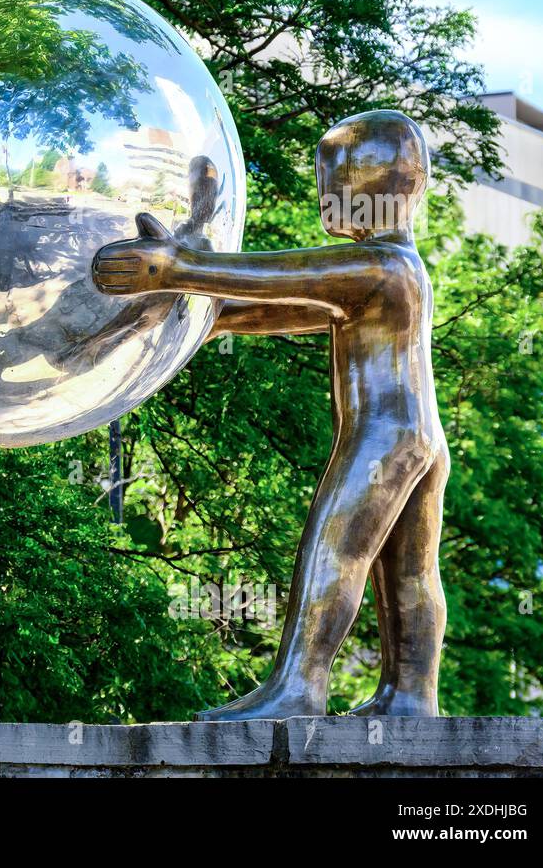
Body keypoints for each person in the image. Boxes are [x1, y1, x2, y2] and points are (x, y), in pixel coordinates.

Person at [93, 110, 447, 719]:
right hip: (420, 439)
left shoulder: (384, 268)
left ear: (392, 188)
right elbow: (268, 305)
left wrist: (181, 270)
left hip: (385, 436)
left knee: (337, 549)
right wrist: (198, 308)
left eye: (338, 182)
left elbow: (283, 275)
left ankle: (298, 688)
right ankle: (411, 696)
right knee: (408, 571)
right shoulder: (367, 276)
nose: (326, 195)